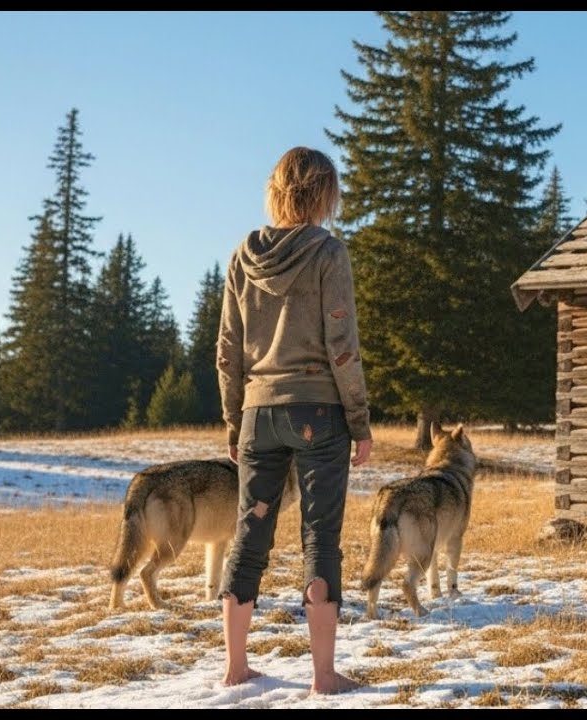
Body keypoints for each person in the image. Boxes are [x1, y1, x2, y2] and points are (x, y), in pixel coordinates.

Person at [216, 146, 373, 694]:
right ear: (323, 193)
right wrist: (360, 421)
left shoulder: (243, 255)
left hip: (259, 410)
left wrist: (235, 423)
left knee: (249, 534)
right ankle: (323, 677)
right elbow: (342, 345)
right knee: (320, 538)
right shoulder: (328, 252)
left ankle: (236, 668)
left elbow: (228, 349)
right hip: (320, 413)